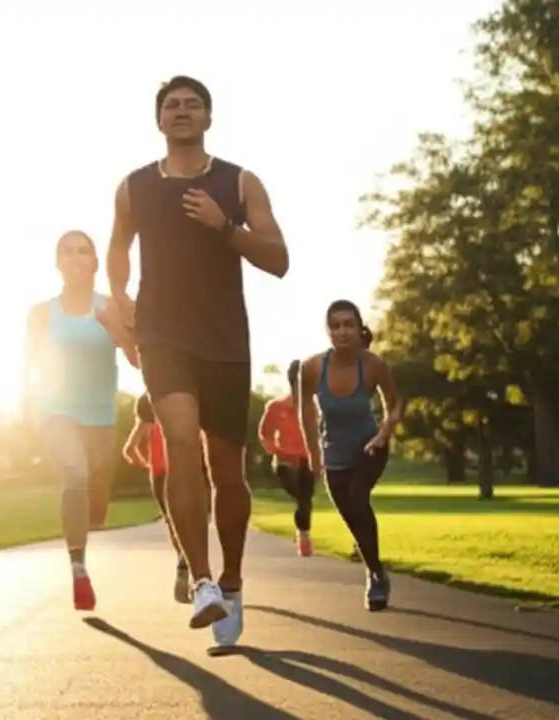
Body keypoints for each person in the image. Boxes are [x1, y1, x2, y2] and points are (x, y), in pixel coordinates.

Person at [105, 75, 289, 652]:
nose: (181, 112)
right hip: (163, 336)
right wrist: (123, 304)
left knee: (227, 472)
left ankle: (232, 579)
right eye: (171, 105)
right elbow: (116, 250)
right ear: (159, 121)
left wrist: (224, 226)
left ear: (208, 118)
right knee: (180, 442)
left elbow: (279, 259)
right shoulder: (134, 186)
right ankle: (203, 580)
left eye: (192, 105)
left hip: (225, 340)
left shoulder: (239, 181)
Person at [23, 230, 138, 612]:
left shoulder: (113, 307)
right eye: (67, 251)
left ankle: (86, 529)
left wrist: (116, 330)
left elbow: (139, 359)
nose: (75, 257)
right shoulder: (41, 313)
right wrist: (30, 408)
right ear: (58, 263)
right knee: (75, 474)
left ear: (94, 263)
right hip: (56, 410)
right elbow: (29, 364)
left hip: (101, 416)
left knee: (97, 502)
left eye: (83, 251)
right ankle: (79, 571)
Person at [298, 300, 402, 611]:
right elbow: (305, 414)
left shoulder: (373, 365)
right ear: (328, 331)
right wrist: (314, 457)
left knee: (358, 500)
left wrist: (384, 434)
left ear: (359, 329)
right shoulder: (313, 368)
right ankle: (377, 566)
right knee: (352, 516)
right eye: (336, 326)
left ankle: (374, 578)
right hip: (335, 453)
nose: (343, 331)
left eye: (349, 325)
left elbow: (394, 404)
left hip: (370, 445)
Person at [123, 392, 198, 605]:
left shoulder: (149, 407)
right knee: (192, 520)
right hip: (186, 469)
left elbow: (130, 449)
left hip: (160, 474)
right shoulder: (187, 401)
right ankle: (190, 568)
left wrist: (149, 464)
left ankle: (184, 564)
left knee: (174, 522)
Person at [258, 360, 315, 556]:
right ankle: (303, 533)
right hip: (285, 461)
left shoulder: (315, 408)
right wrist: (276, 451)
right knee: (299, 494)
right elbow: (265, 433)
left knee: (305, 500)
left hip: (308, 459)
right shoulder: (276, 406)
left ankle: (303, 536)